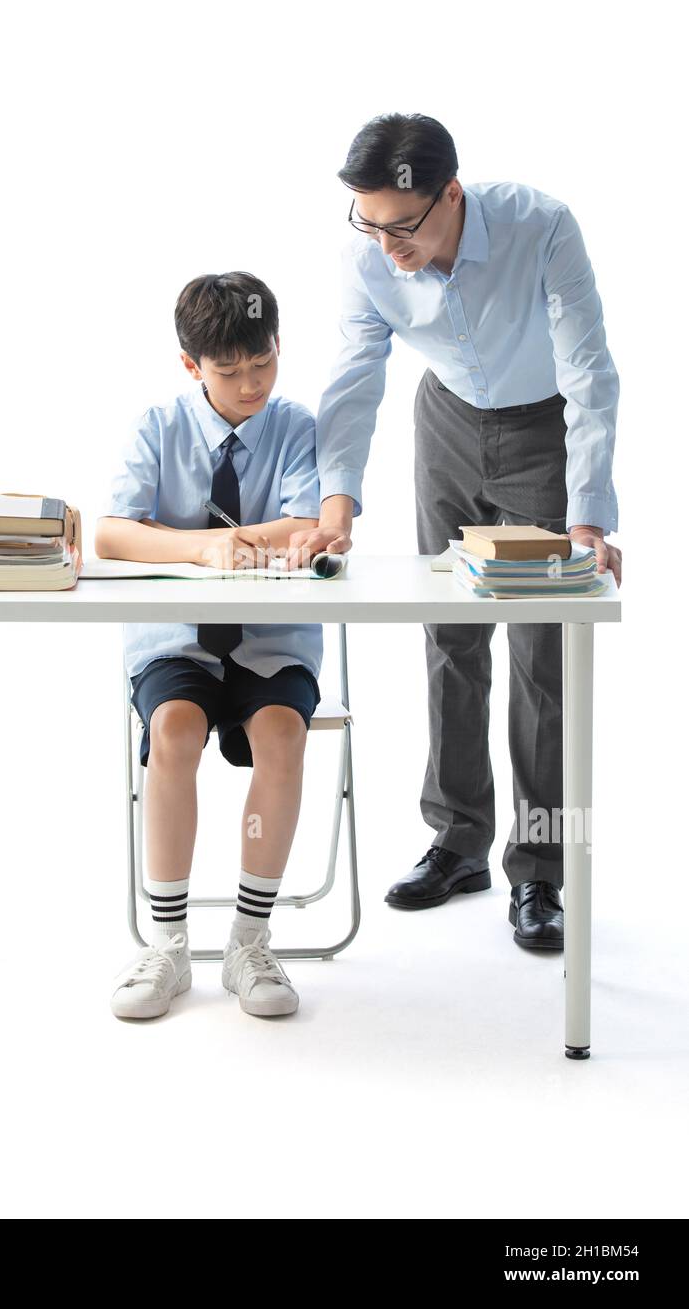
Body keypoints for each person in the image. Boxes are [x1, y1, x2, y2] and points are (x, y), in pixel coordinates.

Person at [288, 112, 623, 952]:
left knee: (543, 648)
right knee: (451, 636)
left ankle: (541, 868)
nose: (390, 246)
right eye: (370, 224)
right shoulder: (367, 254)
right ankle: (458, 839)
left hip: (542, 427)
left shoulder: (540, 225)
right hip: (444, 423)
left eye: (405, 226)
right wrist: (337, 507)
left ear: (452, 194)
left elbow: (588, 369)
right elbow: (356, 374)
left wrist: (588, 514)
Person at [96, 271, 323, 1019]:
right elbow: (108, 534)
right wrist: (202, 553)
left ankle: (250, 941)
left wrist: (188, 537)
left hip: (269, 638)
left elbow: (306, 526)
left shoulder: (296, 427)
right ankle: (166, 946)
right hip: (177, 642)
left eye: (263, 364)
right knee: (176, 730)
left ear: (278, 345)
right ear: (191, 366)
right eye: (230, 372)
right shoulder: (157, 429)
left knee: (283, 735)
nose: (251, 383)